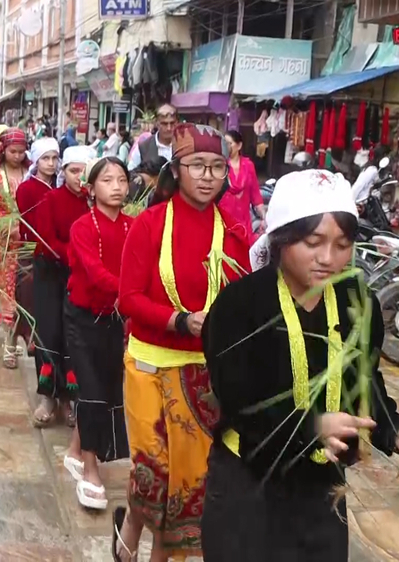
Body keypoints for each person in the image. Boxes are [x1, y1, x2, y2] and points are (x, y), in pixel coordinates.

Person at [202, 169, 399, 561]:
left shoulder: (357, 299)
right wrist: (312, 425)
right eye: (313, 242)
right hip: (249, 484)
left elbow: (363, 379)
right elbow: (240, 399)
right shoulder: (240, 305)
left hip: (322, 486)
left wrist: (396, 431)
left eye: (342, 244)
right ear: (281, 238)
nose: (328, 258)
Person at [113, 123, 250, 562]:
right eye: (197, 166)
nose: (208, 176)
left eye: (216, 167)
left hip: (202, 372)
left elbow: (240, 296)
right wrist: (179, 320)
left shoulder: (233, 230)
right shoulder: (150, 224)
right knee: (153, 468)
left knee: (189, 480)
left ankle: (160, 554)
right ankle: (133, 521)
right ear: (177, 170)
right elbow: (128, 299)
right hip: (149, 364)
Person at [63, 156, 132, 512]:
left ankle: (76, 449)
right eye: (108, 180)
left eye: (122, 179)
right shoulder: (82, 227)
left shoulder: (133, 226)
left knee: (104, 391)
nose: (117, 186)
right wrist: (132, 295)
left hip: (115, 320)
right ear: (91, 188)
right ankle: (91, 470)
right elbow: (94, 273)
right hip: (81, 318)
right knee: (91, 391)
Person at [31, 145, 94, 428]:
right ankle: (47, 395)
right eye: (73, 170)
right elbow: (46, 241)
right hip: (51, 274)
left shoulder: (95, 202)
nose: (79, 177)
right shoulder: (51, 199)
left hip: (82, 278)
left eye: (84, 171)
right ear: (64, 172)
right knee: (49, 334)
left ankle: (69, 398)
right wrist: (79, 254)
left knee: (73, 337)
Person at [0, 128, 30, 365]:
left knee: (23, 295)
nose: (17, 156)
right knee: (7, 294)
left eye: (22, 152)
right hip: (2, 245)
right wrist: (16, 228)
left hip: (28, 245)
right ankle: (10, 346)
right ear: (2, 150)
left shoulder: (30, 174)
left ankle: (17, 342)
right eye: (13, 151)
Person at [14, 137, 61, 361]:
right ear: (36, 161)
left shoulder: (60, 186)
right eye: (46, 158)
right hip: (30, 247)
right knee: (25, 298)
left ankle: (40, 340)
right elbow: (28, 223)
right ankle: (14, 342)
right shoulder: (26, 188)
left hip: (55, 251)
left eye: (54, 158)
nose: (51, 163)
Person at [219, 130, 265, 242]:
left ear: (239, 145)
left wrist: (264, 218)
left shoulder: (248, 166)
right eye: (224, 143)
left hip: (243, 221)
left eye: (229, 143)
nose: (226, 147)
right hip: (223, 220)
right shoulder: (220, 165)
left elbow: (256, 195)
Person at [135, 104, 178, 168]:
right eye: (164, 124)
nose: (169, 128)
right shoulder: (144, 147)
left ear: (177, 122)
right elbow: (131, 172)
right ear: (156, 123)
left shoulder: (185, 145)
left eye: (172, 123)